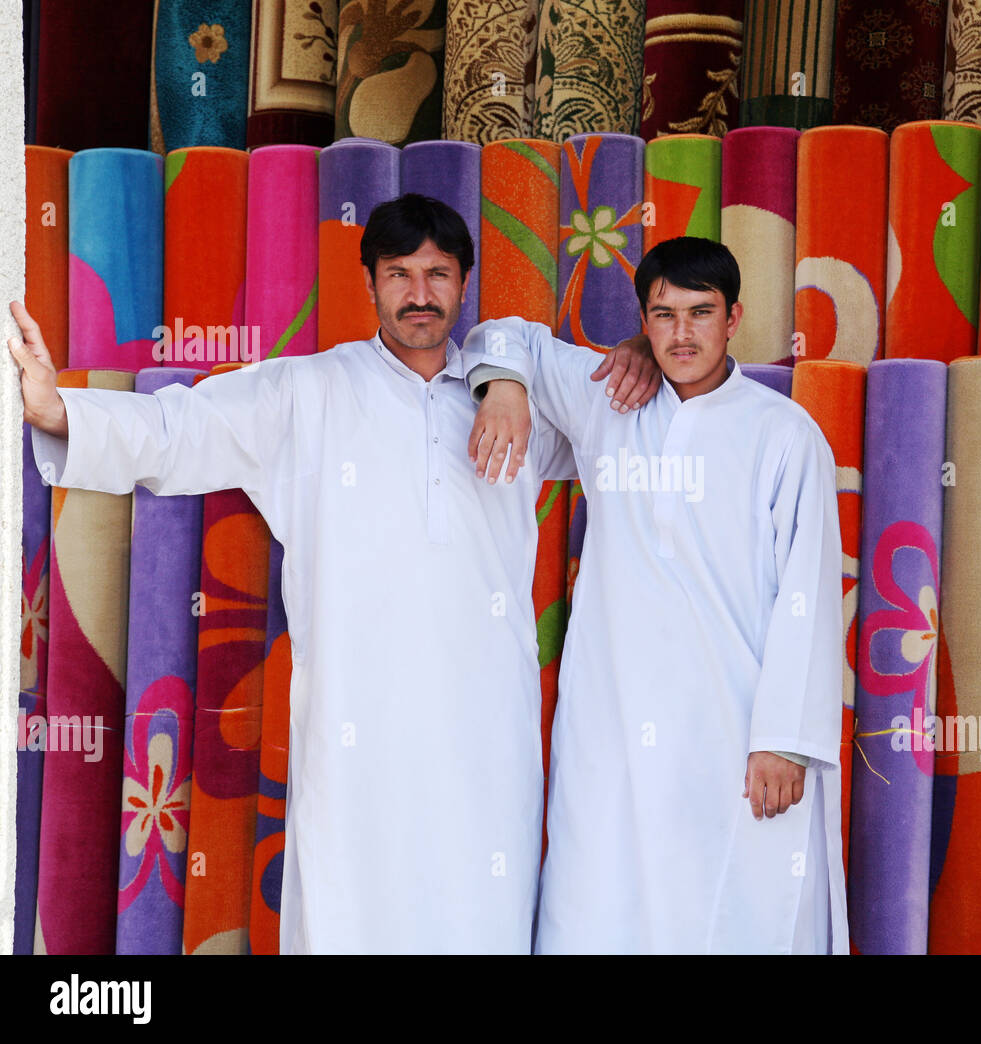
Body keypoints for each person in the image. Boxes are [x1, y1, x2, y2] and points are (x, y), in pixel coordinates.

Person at [8, 193, 658, 954]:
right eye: (399, 274)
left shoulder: (513, 406)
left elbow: (626, 425)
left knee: (481, 910)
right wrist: (63, 414)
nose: (420, 293)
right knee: (353, 912)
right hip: (355, 726)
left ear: (464, 283)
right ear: (370, 284)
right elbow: (177, 430)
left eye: (439, 274)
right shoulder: (305, 392)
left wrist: (639, 354)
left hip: (483, 726)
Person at [462, 236, 849, 953]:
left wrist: (784, 744)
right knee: (600, 903)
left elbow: (809, 594)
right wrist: (508, 387)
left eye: (701, 313)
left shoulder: (784, 436)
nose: (682, 334)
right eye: (663, 315)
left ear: (734, 319)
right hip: (611, 727)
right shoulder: (610, 398)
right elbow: (500, 335)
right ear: (643, 320)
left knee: (737, 912)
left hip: (732, 731)